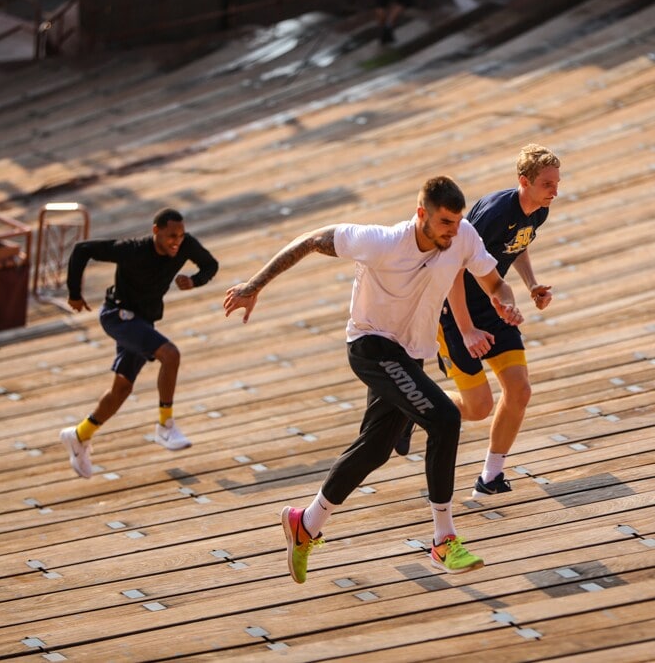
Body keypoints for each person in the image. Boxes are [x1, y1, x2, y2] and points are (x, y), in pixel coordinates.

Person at [223, 176, 523, 583]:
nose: (453, 231)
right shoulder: (381, 242)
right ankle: (443, 538)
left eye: (456, 221)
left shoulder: (464, 237)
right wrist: (253, 285)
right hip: (372, 346)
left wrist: (505, 302)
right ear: (422, 215)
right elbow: (312, 239)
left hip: (411, 355)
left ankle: (305, 523)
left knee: (376, 448)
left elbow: (494, 282)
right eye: (445, 223)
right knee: (444, 419)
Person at [399, 144, 559, 499]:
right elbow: (455, 265)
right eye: (548, 184)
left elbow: (516, 245)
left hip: (492, 303)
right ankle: (411, 407)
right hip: (454, 311)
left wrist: (531, 285)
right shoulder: (495, 213)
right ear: (524, 182)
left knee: (520, 390)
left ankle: (491, 476)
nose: (555, 190)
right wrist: (467, 328)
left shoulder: (538, 210)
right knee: (478, 408)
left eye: (556, 182)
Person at [59, 208, 219, 479]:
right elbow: (82, 249)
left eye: (180, 235)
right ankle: (165, 425)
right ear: (155, 231)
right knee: (170, 354)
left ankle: (78, 435)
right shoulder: (132, 250)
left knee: (121, 388)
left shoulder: (185, 244)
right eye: (171, 236)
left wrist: (194, 280)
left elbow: (210, 265)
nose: (176, 242)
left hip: (143, 323)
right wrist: (74, 292)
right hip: (117, 316)